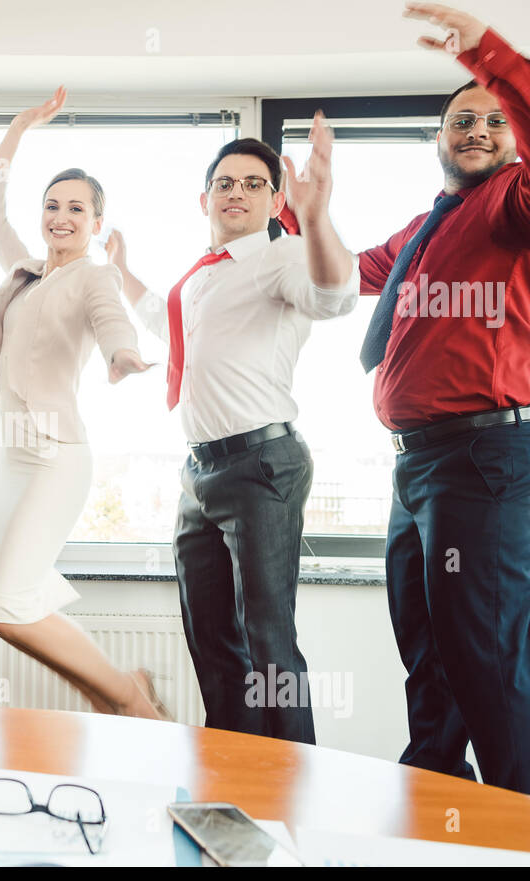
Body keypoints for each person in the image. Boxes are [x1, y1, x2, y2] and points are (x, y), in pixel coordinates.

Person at [353, 3, 530, 798]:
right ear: (438, 140)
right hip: (420, 467)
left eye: (494, 118)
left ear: (515, 137)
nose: (478, 128)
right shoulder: (426, 229)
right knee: (432, 656)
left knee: (488, 658)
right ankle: (437, 817)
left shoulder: (526, 205)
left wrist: (490, 59)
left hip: (485, 455)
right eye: (461, 119)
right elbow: (348, 270)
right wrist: (290, 211)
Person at [108, 125, 359, 742]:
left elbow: (335, 296)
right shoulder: (202, 277)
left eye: (254, 184)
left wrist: (317, 217)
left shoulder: (284, 256)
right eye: (224, 184)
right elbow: (167, 326)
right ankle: (237, 778)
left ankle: (297, 790)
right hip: (199, 474)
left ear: (277, 202)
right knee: (210, 638)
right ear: (205, 201)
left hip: (261, 464)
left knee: (266, 639)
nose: (236, 193)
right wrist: (119, 269)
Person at [0, 86, 166, 720]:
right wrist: (17, 129)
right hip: (12, 456)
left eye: (77, 208)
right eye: (52, 206)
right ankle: (114, 688)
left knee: (12, 600)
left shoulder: (93, 275)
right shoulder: (22, 271)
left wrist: (122, 356)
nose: (61, 217)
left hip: (55, 457)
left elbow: (112, 321)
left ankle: (126, 696)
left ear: (97, 223)